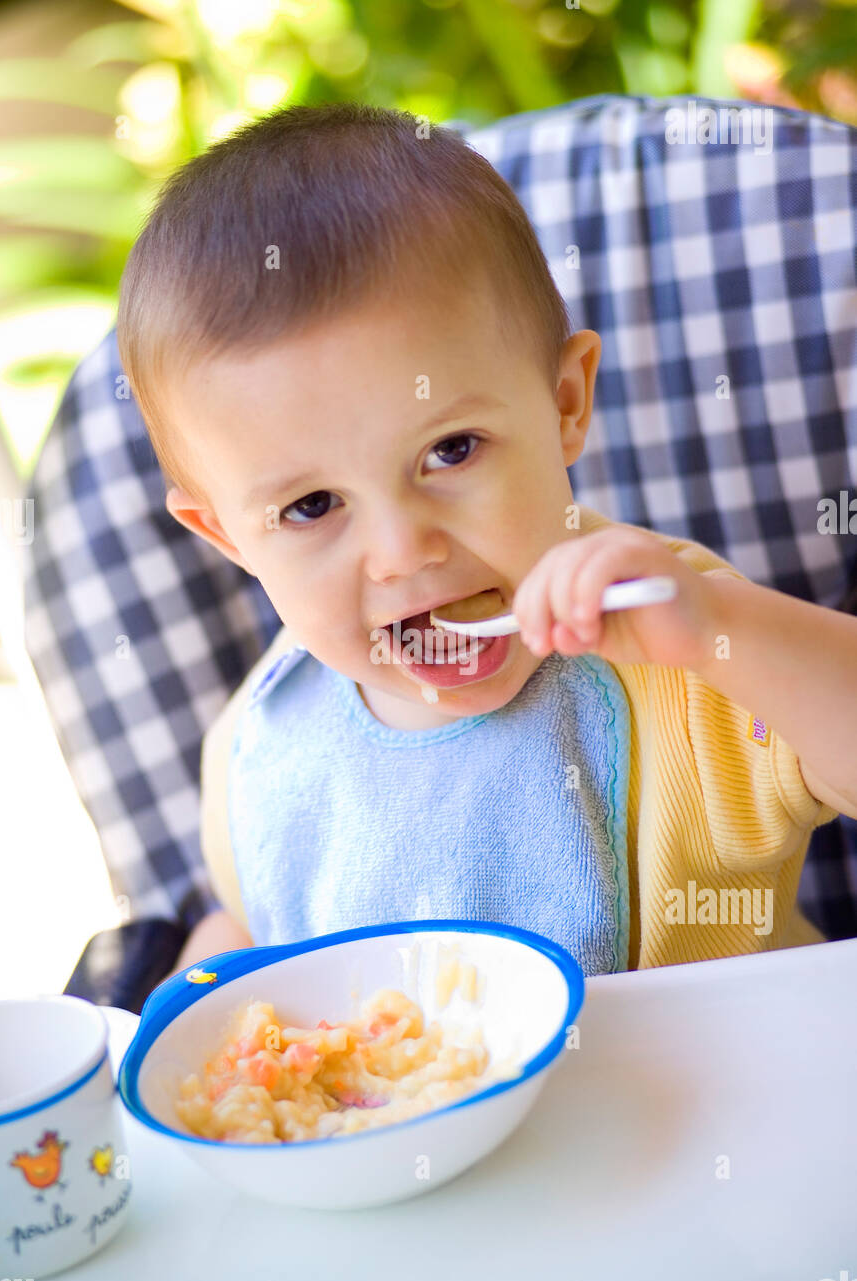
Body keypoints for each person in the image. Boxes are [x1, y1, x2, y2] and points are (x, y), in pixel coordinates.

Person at [116, 102, 856, 976]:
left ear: (564, 404)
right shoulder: (262, 738)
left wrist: (720, 631)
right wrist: (206, 975)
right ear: (229, 537)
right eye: (313, 506)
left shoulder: (675, 646)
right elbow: (261, 924)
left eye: (450, 450)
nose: (402, 550)